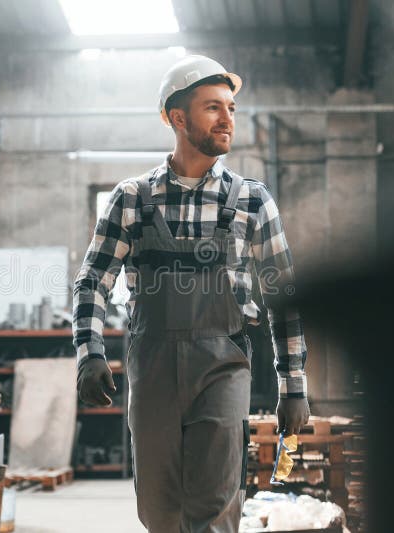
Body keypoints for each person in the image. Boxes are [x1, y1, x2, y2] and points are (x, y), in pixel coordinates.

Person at [73, 55, 310, 532]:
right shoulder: (131, 199)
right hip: (152, 368)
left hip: (222, 367)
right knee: (159, 511)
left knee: (215, 506)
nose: (227, 119)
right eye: (212, 108)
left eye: (231, 108)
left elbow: (282, 297)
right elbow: (92, 280)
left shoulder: (251, 200)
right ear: (177, 118)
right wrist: (89, 352)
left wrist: (294, 385)